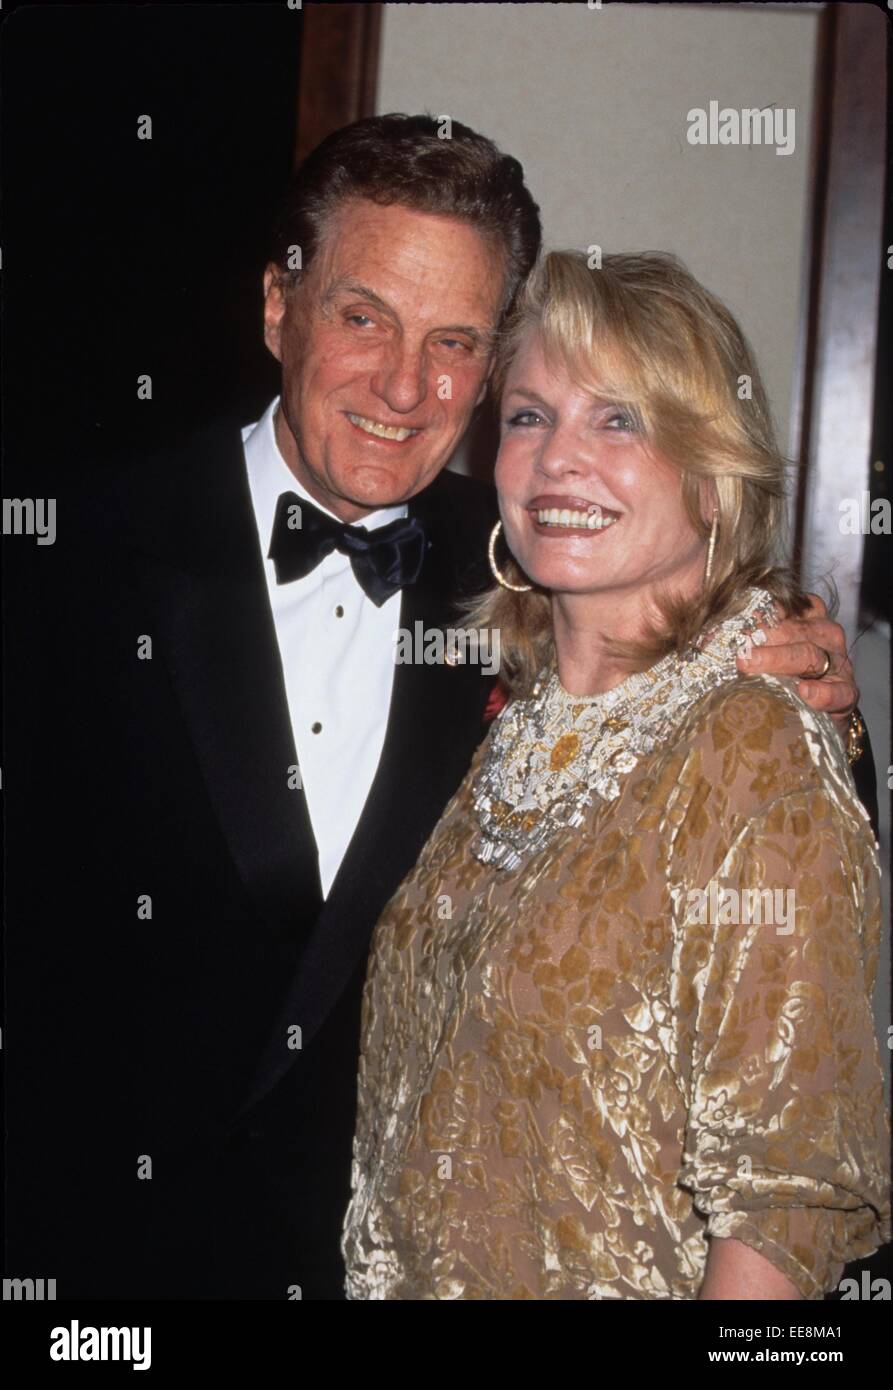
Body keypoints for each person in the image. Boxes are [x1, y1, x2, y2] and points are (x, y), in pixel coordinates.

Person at [4, 115, 870, 1302]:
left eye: (455, 341)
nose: (405, 387)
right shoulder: (67, 559)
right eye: (363, 318)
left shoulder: (530, 569)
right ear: (277, 307)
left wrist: (811, 687)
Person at [341, 250, 891, 1300]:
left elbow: (781, 1212)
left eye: (619, 420)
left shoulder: (748, 743)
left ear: (709, 467)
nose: (558, 460)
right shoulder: (509, 721)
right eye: (530, 416)